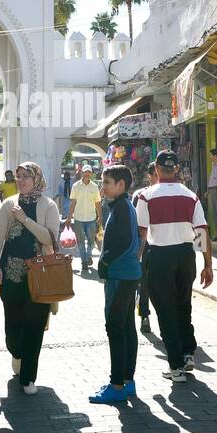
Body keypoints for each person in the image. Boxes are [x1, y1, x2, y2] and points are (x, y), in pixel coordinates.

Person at [135, 150, 212, 383]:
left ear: (156, 169)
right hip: (186, 255)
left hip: (159, 256)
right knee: (183, 304)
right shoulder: (190, 196)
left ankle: (176, 365)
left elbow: (142, 233)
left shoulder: (146, 196)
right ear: (176, 169)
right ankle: (188, 353)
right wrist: (208, 265)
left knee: (165, 310)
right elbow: (201, 231)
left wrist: (136, 262)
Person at [0, 161, 61, 394]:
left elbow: (50, 239)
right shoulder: (8, 204)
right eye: (18, 176)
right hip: (11, 276)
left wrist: (24, 219)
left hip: (39, 276)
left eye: (26, 177)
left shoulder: (48, 206)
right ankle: (17, 353)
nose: (21, 181)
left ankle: (29, 378)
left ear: (36, 179)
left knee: (35, 327)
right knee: (13, 329)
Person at [89, 165, 143, 403]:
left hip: (120, 276)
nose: (103, 187)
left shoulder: (122, 207)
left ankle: (117, 384)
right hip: (126, 275)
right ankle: (126, 381)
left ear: (121, 185)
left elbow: (121, 243)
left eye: (107, 182)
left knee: (116, 328)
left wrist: (106, 261)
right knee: (127, 328)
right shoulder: (123, 206)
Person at [67, 166, 103, 274]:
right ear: (82, 173)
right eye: (85, 172)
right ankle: (84, 262)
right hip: (78, 218)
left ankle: (87, 256)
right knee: (81, 242)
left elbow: (97, 203)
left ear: (91, 174)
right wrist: (69, 217)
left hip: (91, 218)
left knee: (91, 242)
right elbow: (73, 202)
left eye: (89, 172)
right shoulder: (76, 186)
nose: (87, 174)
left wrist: (100, 217)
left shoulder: (95, 187)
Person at [136, 162, 156, 333]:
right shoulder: (141, 196)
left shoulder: (174, 193)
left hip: (166, 247)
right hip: (146, 245)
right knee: (145, 284)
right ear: (150, 176)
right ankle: (144, 315)